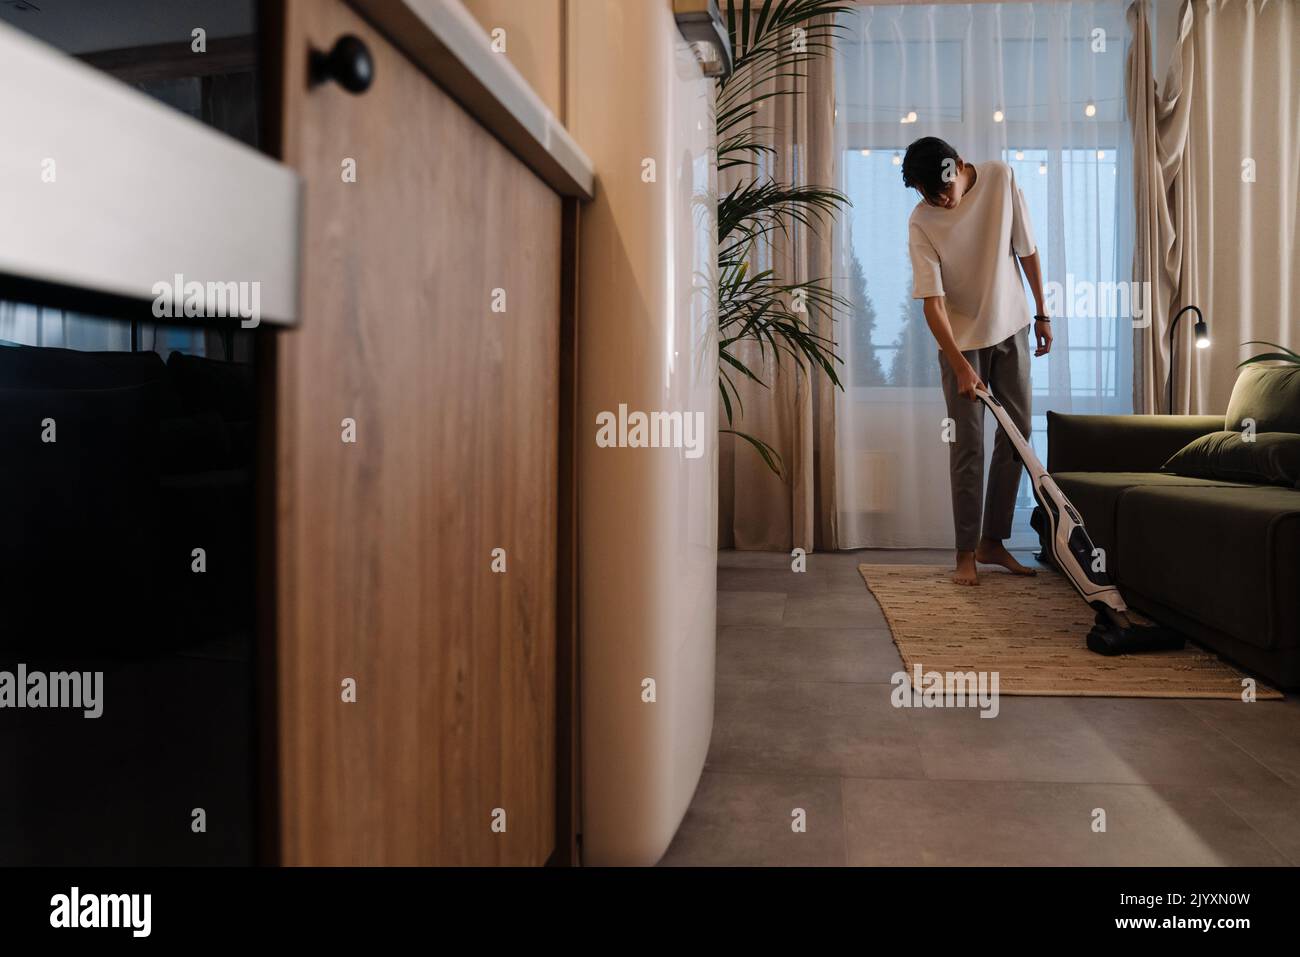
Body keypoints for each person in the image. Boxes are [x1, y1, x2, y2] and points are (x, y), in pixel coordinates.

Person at [902, 136, 1052, 586]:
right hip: (961, 343)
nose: (939, 202)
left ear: (960, 166)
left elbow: (1026, 251)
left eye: (942, 191)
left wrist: (1043, 314)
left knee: (1018, 435)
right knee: (967, 445)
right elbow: (933, 304)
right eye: (929, 195)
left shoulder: (1002, 179)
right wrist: (961, 364)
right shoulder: (921, 222)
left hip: (1013, 328)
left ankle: (993, 541)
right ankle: (965, 551)